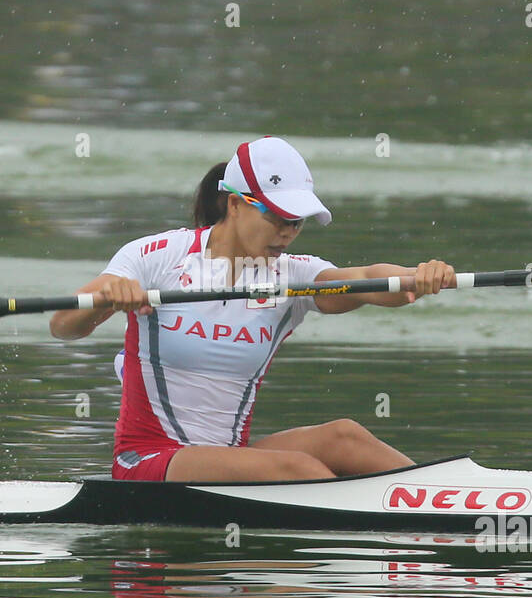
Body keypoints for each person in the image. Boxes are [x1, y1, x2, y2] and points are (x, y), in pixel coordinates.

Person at [49, 136, 455, 482]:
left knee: (344, 437)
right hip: (149, 459)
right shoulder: (157, 256)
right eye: (277, 216)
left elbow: (370, 281)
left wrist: (415, 277)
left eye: (297, 222)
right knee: (298, 469)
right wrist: (107, 295)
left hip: (229, 457)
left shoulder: (292, 276)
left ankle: (441, 500)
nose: (287, 233)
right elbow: (63, 327)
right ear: (236, 204)